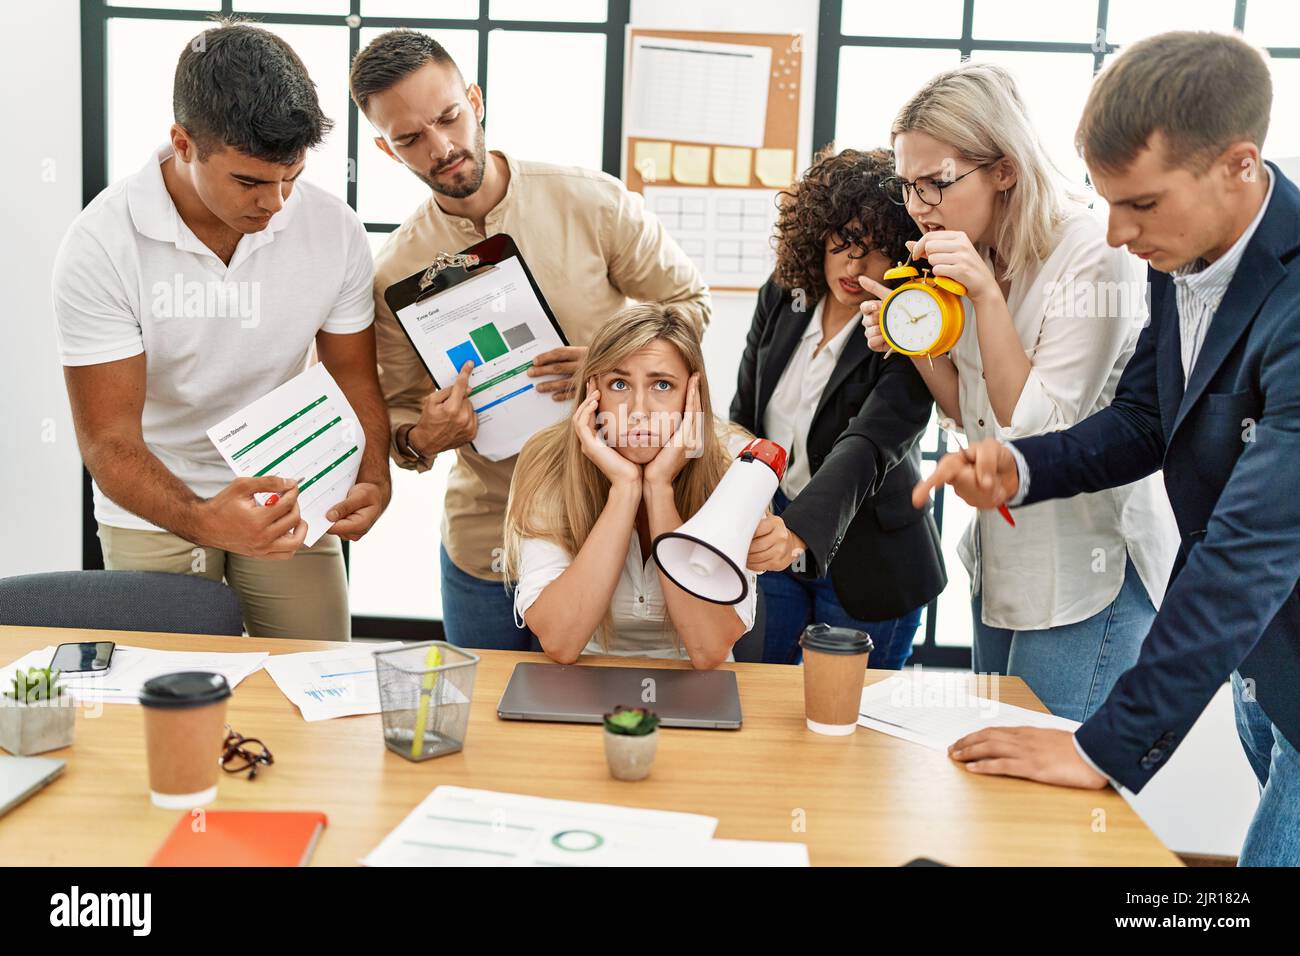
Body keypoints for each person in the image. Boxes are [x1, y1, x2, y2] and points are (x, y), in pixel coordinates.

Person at [926, 31, 1299, 867]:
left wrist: (1102, 748)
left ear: (1240, 165)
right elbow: (1142, 421)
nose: (1119, 234)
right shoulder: (1184, 255)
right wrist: (1021, 466)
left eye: (1142, 204)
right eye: (1107, 201)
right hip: (1265, 654)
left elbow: (1249, 550)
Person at [348, 30, 709, 649]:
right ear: (386, 149)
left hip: (613, 519)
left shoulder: (591, 201)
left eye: (448, 118)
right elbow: (398, 423)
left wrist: (608, 359)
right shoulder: (395, 273)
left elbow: (690, 307)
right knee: (490, 735)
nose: (441, 147)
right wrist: (424, 436)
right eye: (411, 139)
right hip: (489, 537)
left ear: (476, 100)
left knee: (603, 723)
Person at [859, 62, 1177, 720]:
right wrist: (912, 337)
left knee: (1046, 787)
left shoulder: (1090, 251)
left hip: (1088, 567)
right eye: (907, 186)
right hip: (1007, 551)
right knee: (995, 759)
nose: (918, 207)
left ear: (1004, 168)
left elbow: (1034, 429)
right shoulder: (970, 248)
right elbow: (968, 415)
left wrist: (981, 294)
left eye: (937, 184)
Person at [53, 21, 390, 641]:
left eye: (291, 175)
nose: (277, 203)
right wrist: (205, 520)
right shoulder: (101, 244)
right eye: (251, 182)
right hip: (155, 492)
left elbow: (352, 377)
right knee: (167, 690)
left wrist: (373, 473)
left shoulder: (333, 229)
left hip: (291, 483)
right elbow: (107, 442)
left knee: (315, 677)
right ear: (183, 143)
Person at [732, 147, 944, 668]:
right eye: (843, 243)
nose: (853, 266)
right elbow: (744, 415)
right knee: (762, 699)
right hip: (774, 530)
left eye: (875, 249)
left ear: (903, 254)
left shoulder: (913, 324)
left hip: (871, 558)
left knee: (855, 726)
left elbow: (867, 443)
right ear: (816, 233)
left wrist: (798, 531)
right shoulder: (785, 295)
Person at [503, 305, 756, 666]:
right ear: (593, 392)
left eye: (662, 385)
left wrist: (659, 488)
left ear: (693, 395)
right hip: (583, 674)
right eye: (619, 384)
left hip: (696, 681)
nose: (639, 410)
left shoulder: (737, 464)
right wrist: (624, 488)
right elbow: (559, 641)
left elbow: (708, 649)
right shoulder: (547, 461)